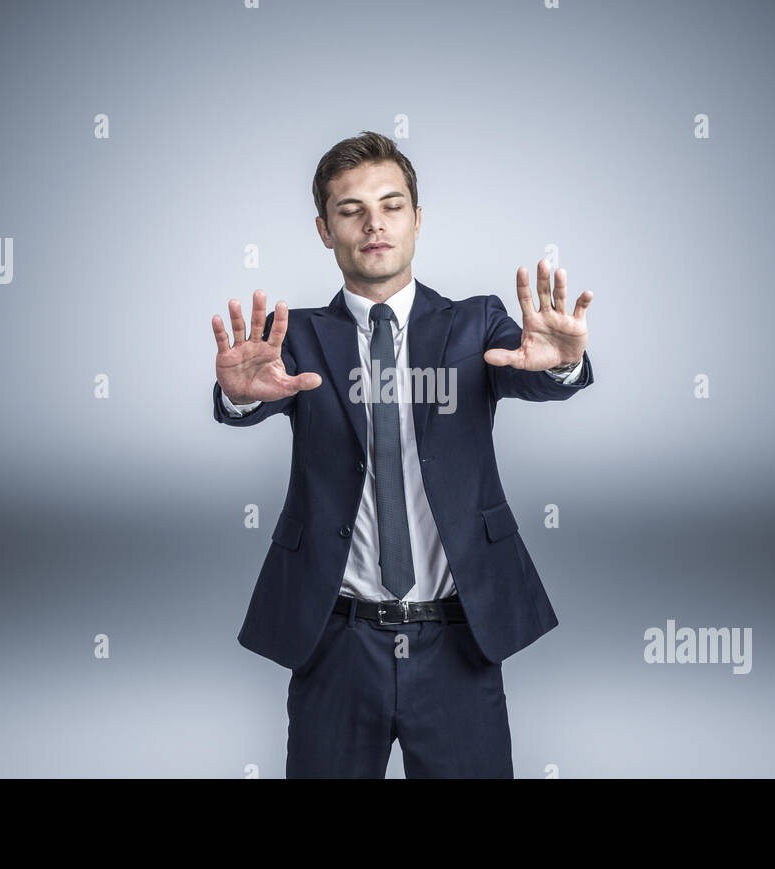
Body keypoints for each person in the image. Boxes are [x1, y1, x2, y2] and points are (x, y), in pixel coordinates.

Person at [210, 131, 594, 777]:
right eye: (350, 209)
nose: (374, 223)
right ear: (324, 229)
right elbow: (252, 398)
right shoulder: (298, 335)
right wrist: (241, 396)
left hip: (457, 637)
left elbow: (527, 372)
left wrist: (560, 364)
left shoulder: (477, 323)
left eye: (391, 205)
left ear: (417, 219)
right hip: (335, 639)